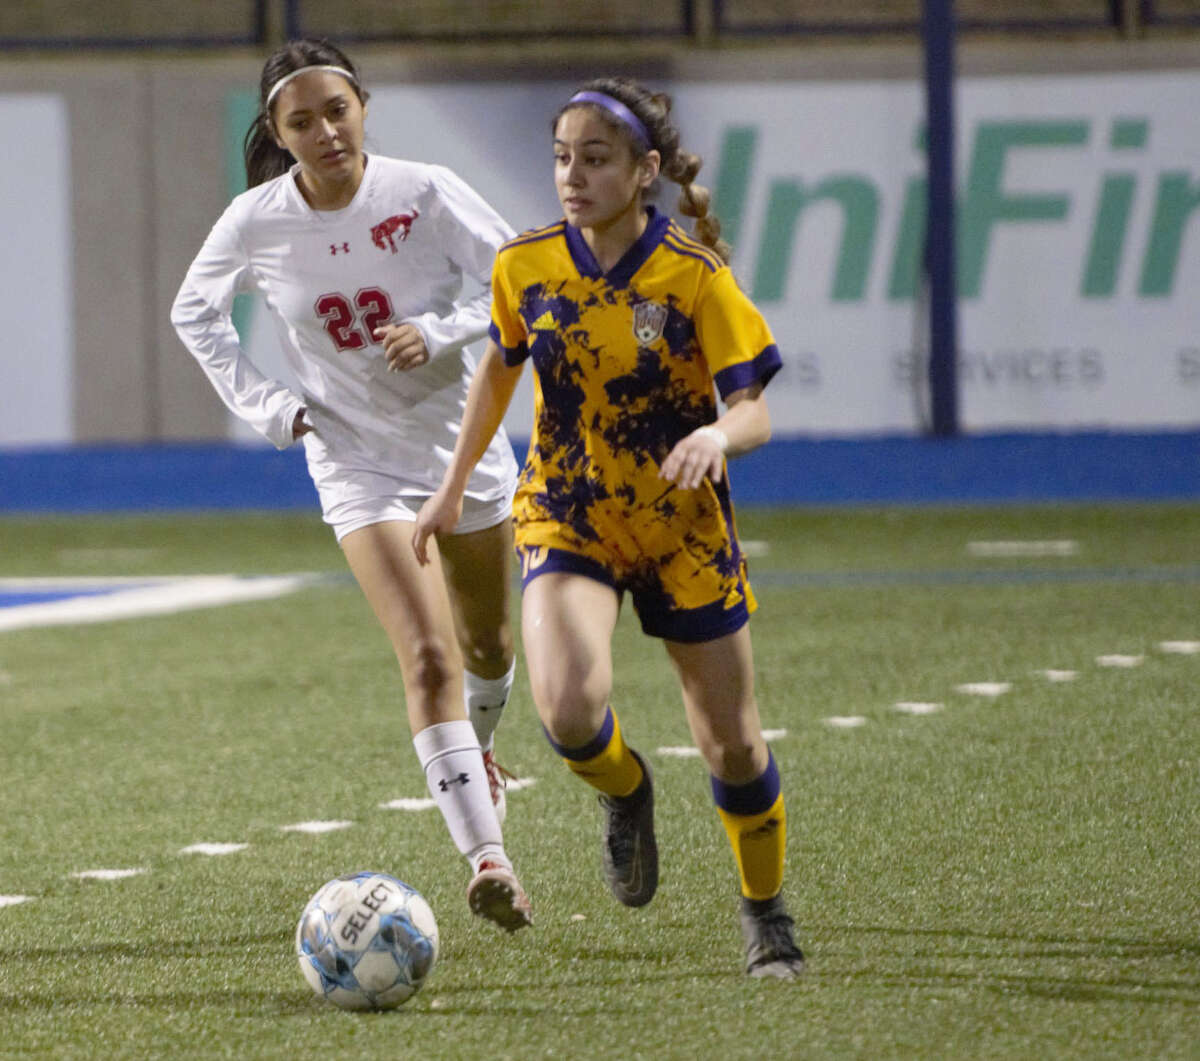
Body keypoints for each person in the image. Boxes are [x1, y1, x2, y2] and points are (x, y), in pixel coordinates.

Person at [413, 77, 804, 977]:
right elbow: (499, 370)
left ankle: (765, 912)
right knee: (566, 710)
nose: (572, 176)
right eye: (561, 158)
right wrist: (452, 485)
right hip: (568, 513)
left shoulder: (694, 276)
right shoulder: (526, 265)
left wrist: (714, 433)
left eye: (594, 158)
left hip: (681, 530)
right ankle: (628, 791)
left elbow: (754, 410)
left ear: (645, 170)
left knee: (734, 744)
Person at [171, 38, 530, 932]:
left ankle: (479, 753)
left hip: (461, 449)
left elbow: (520, 283)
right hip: (352, 458)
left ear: (362, 105)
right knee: (429, 653)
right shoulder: (255, 219)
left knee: (487, 645)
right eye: (302, 120)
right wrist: (270, 406)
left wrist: (442, 331)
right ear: (278, 133)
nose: (325, 130)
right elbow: (194, 311)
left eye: (336, 109)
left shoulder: (424, 191)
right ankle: (489, 859)